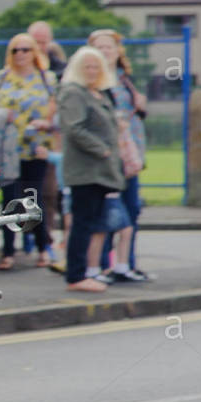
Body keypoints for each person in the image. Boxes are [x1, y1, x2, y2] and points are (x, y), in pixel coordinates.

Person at [0, 32, 57, 269]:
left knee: (32, 196)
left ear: (34, 52)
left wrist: (46, 125)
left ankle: (41, 248)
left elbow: (55, 112)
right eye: (15, 50)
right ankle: (8, 252)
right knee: (8, 198)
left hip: (34, 147)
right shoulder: (1, 77)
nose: (20, 54)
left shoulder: (46, 78)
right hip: (7, 149)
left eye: (25, 49)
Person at [57, 46, 125, 292]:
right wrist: (103, 150)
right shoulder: (73, 93)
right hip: (86, 171)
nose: (92, 71)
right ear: (76, 68)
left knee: (93, 222)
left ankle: (85, 272)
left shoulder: (97, 93)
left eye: (96, 66)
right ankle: (75, 276)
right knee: (82, 223)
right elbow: (74, 129)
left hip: (102, 171)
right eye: (87, 66)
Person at [88, 28, 150, 281]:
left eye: (109, 47)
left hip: (129, 155)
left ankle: (126, 264)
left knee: (131, 210)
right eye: (99, 47)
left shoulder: (125, 79)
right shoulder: (92, 81)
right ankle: (102, 266)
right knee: (107, 213)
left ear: (117, 51)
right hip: (107, 158)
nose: (105, 51)